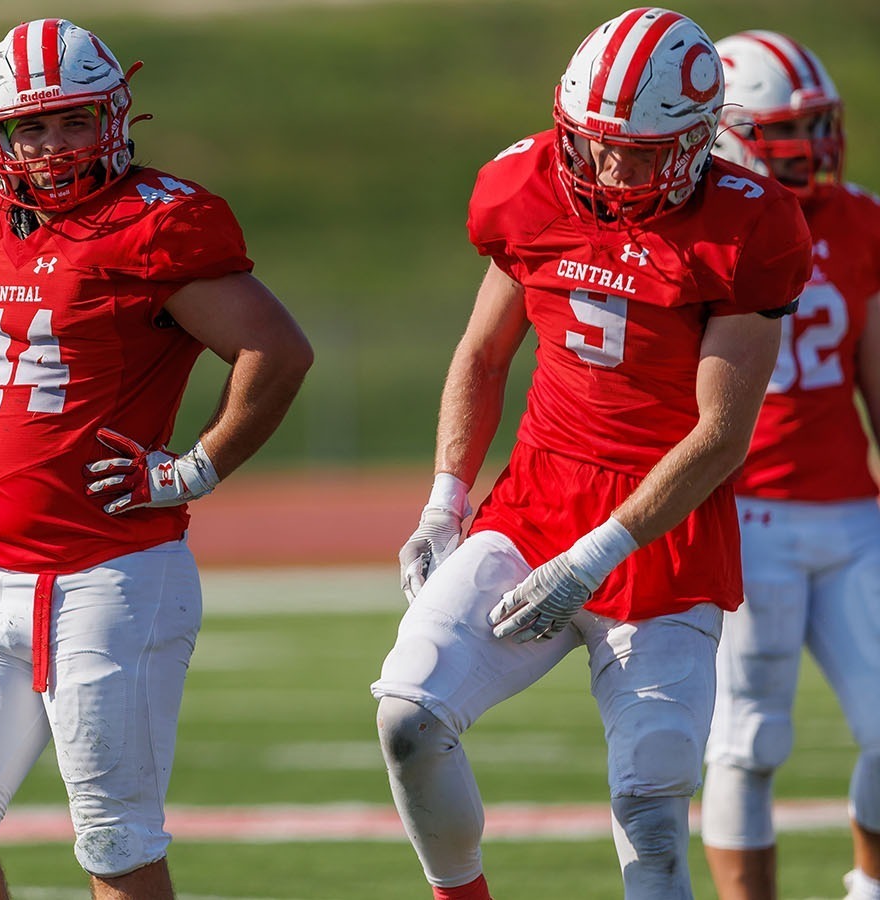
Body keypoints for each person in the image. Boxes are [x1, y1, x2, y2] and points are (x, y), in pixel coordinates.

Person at [370, 9, 812, 900]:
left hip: (661, 536)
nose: (613, 168)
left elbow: (721, 434)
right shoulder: (526, 185)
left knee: (650, 809)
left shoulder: (747, 227)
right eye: (596, 143)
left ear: (696, 142)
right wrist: (444, 502)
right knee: (408, 718)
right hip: (534, 505)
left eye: (642, 152)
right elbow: (483, 354)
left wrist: (600, 554)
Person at [0, 18, 312, 900]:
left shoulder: (158, 224)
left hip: (116, 577)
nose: (53, 145)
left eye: (74, 121)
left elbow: (277, 351)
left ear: (114, 117)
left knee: (117, 844)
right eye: (31, 127)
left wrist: (195, 467)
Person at [698, 30, 880, 900]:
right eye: (788, 134)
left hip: (851, 513)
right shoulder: (705, 225)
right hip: (749, 513)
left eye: (819, 128)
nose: (817, 150)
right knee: (749, 737)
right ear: (730, 135)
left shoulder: (862, 218)